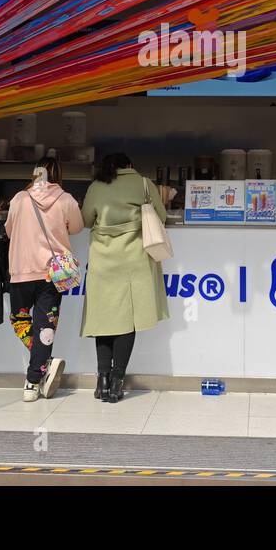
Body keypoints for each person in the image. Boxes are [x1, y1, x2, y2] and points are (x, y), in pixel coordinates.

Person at [80, 152, 168, 403]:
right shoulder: (143, 183)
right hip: (134, 261)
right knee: (127, 322)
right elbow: (160, 217)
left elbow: (86, 220)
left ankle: (102, 380)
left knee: (103, 321)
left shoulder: (96, 186)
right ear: (129, 165)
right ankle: (118, 381)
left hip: (103, 261)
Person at [5, 157, 84, 402]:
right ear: (58, 175)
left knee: (19, 319)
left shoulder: (19, 199)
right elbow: (77, 228)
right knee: (45, 327)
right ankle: (33, 380)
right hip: (52, 274)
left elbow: (9, 229)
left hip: (21, 271)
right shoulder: (67, 200)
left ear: (34, 174)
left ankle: (40, 367)